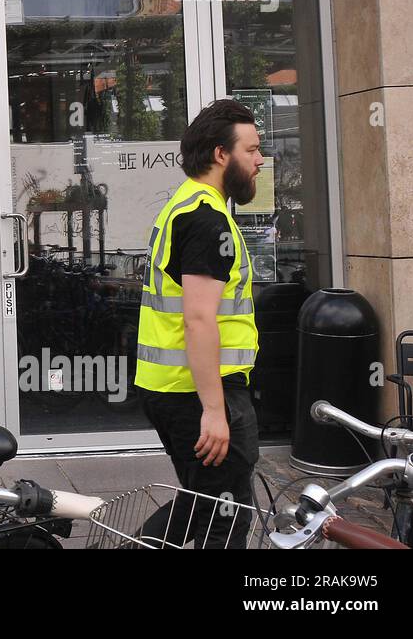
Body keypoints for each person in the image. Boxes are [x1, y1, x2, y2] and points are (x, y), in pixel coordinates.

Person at [136, 99, 264, 548]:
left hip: (175, 387)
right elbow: (199, 318)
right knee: (227, 514)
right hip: (199, 392)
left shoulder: (185, 204)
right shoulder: (207, 220)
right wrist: (215, 410)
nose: (260, 160)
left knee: (201, 501)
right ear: (220, 154)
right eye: (252, 150)